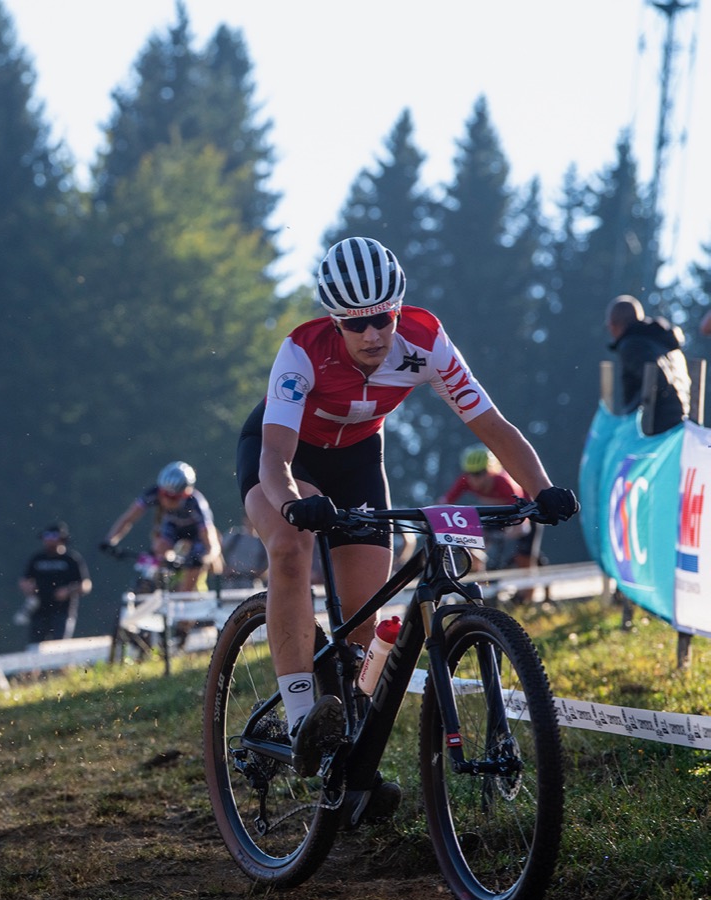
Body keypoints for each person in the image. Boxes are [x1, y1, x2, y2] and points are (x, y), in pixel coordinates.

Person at [240, 237, 578, 777]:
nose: (373, 334)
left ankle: (348, 760)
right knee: (289, 547)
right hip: (286, 457)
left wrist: (541, 488)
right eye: (356, 324)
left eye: (383, 318)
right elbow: (274, 458)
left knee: (361, 620)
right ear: (334, 322)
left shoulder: (426, 341)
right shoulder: (301, 352)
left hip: (356, 461)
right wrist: (291, 507)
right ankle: (302, 714)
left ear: (398, 310)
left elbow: (492, 427)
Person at [100, 461, 222, 593]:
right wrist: (110, 540)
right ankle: (156, 584)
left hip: (196, 533)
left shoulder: (196, 503)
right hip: (173, 528)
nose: (167, 500)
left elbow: (212, 543)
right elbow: (129, 518)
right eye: (164, 495)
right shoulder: (155, 493)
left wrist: (206, 558)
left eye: (173, 497)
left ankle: (183, 596)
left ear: (185, 493)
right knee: (159, 547)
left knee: (195, 563)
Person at [439, 445, 539, 573]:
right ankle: (481, 580)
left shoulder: (504, 483)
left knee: (524, 558)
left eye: (480, 473)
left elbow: (522, 521)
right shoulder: (465, 480)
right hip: (498, 515)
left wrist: (509, 534)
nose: (475, 479)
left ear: (491, 471)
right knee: (474, 546)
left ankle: (529, 589)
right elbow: (444, 502)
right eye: (471, 474)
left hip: (527, 513)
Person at [605, 294, 691, 435]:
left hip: (654, 429)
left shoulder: (631, 345)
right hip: (680, 424)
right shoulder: (666, 345)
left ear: (613, 325)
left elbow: (656, 381)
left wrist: (630, 422)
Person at [19, 522, 91, 645]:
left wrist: (68, 591)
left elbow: (85, 584)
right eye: (46, 537)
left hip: (62, 611)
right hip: (39, 610)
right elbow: (24, 580)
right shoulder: (38, 558)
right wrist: (28, 588)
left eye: (53, 537)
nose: (49, 541)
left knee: (59, 646)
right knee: (35, 646)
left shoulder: (71, 559)